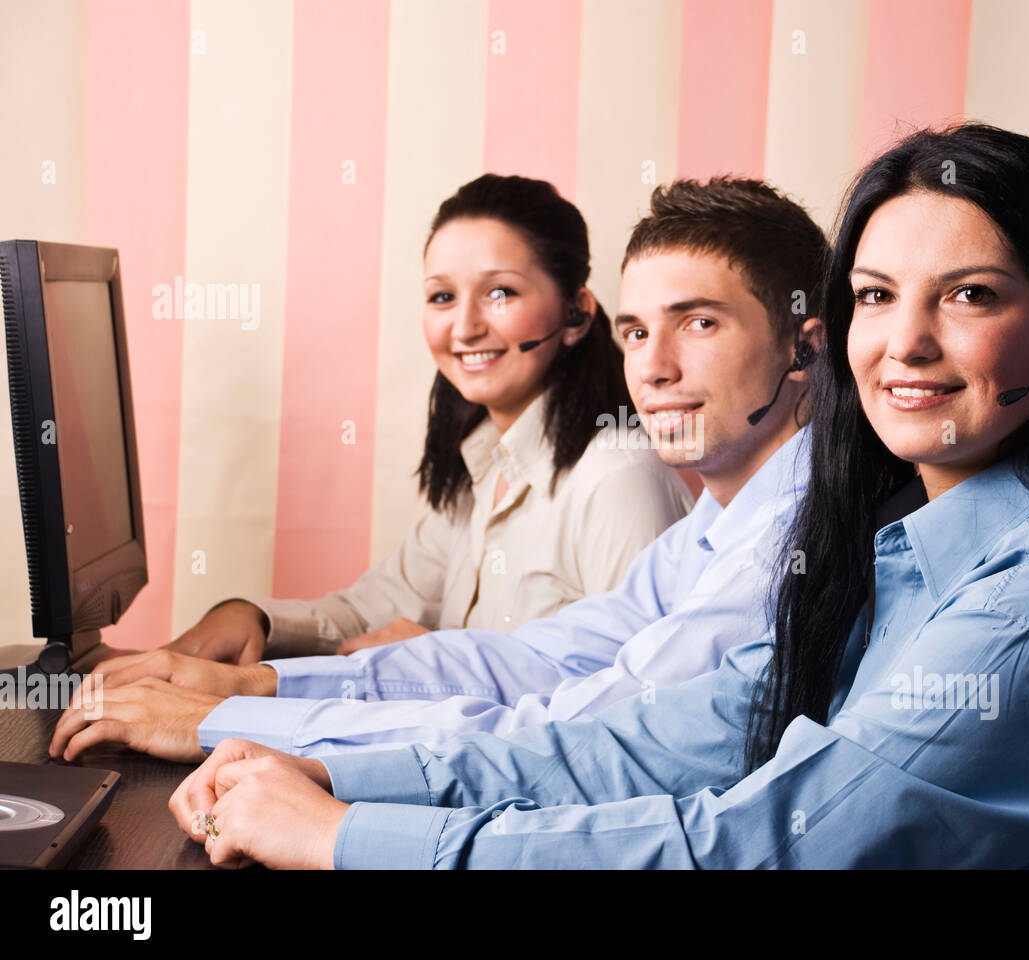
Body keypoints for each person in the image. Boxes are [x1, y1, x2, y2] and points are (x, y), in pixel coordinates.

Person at [169, 123, 1029, 869]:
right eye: (875, 296)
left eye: (966, 297)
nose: (903, 343)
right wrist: (320, 762)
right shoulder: (897, 552)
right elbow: (652, 740)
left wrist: (343, 835)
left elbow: (754, 852)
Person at [50, 176, 830, 764]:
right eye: (637, 332)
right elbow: (541, 658)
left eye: (698, 322)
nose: (653, 368)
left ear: (807, 347)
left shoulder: (726, 514)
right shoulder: (712, 520)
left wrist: (241, 720)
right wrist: (257, 678)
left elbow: (584, 730)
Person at [151, 173, 694, 665]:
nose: (464, 327)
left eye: (500, 292)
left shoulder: (620, 478)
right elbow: (368, 610)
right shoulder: (482, 470)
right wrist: (252, 616)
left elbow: (635, 706)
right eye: (442, 297)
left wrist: (438, 664)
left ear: (576, 314)